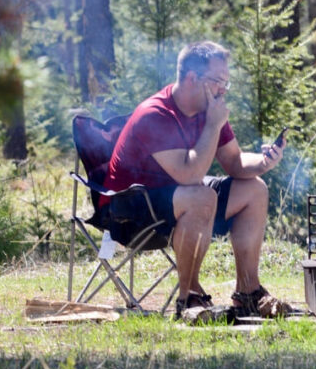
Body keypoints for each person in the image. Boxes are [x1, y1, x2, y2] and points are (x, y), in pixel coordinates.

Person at [101, 41, 290, 318]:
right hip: (130, 208)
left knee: (254, 190)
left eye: (227, 83)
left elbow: (235, 163)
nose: (223, 90)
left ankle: (248, 292)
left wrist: (263, 162)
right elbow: (191, 175)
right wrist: (213, 125)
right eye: (217, 82)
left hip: (177, 197)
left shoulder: (209, 110)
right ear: (192, 78)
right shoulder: (155, 114)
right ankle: (189, 298)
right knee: (202, 196)